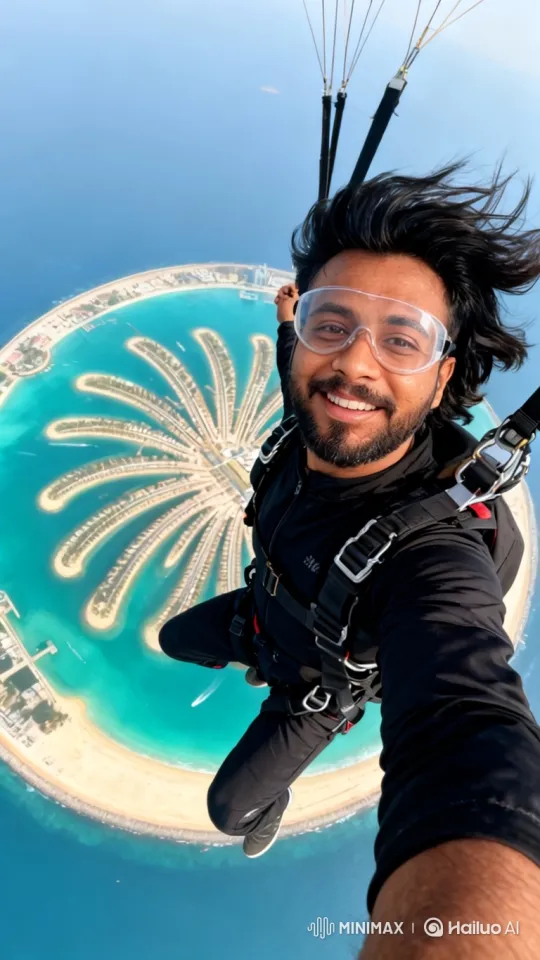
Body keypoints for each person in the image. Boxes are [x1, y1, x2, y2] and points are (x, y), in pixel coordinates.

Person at [160, 162, 540, 956]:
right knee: (172, 639)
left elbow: (465, 720)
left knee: (229, 809)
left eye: (403, 340)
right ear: (297, 331)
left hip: (313, 682)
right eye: (333, 325)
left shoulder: (430, 554)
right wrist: (297, 316)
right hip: (266, 612)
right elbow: (308, 347)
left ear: (443, 381)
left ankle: (277, 785)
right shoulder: (317, 393)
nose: (356, 366)